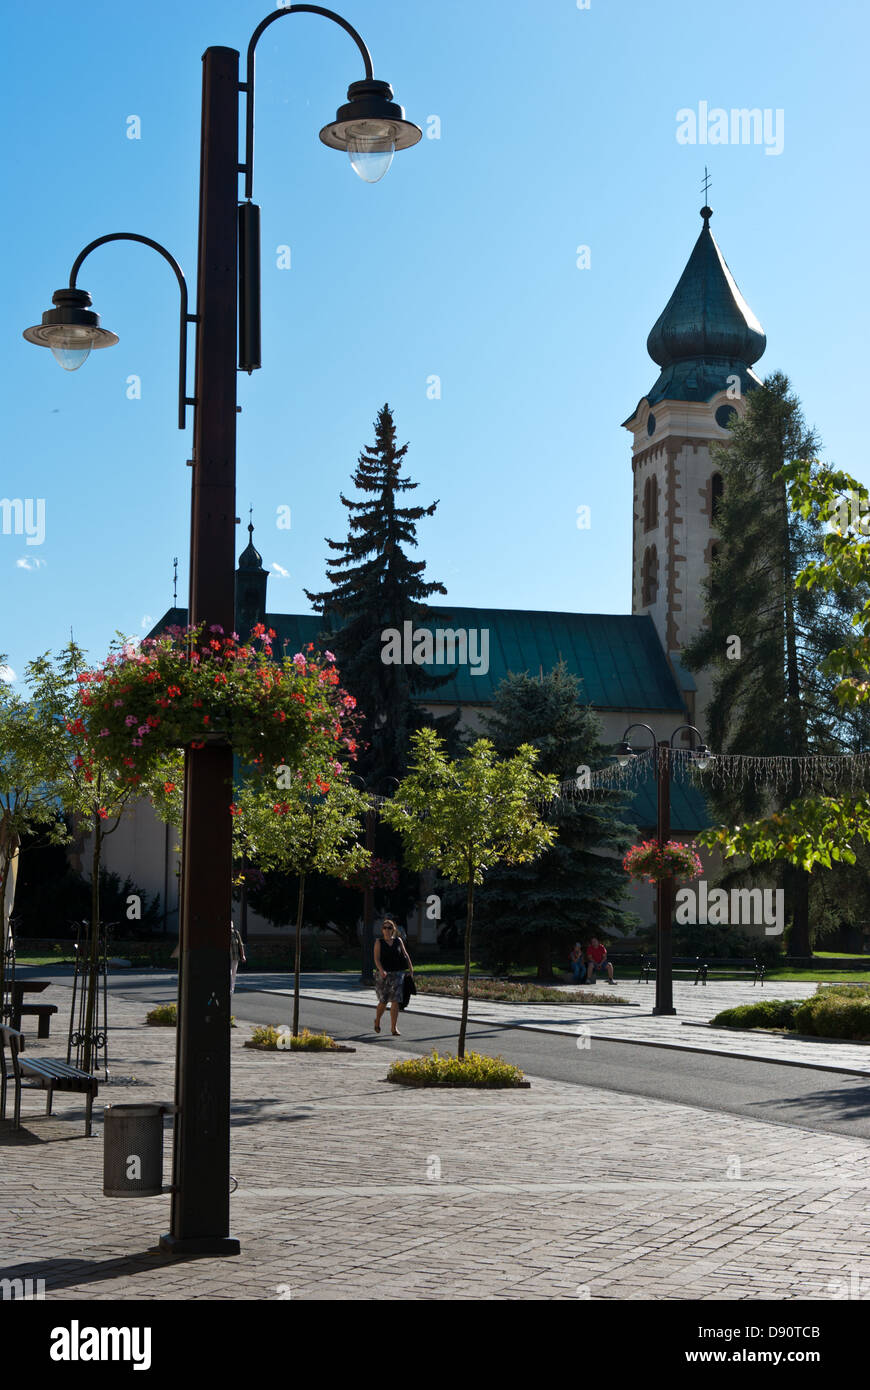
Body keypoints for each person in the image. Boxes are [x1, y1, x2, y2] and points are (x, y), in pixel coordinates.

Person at [373, 918, 413, 1036]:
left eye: (389, 928)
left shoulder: (398, 941)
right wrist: (381, 970)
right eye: (384, 928)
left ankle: (393, 1028)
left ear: (393, 930)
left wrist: (410, 968)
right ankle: (377, 1020)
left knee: (395, 1001)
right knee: (383, 1001)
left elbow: (405, 954)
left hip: (397, 974)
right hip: (383, 975)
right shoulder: (378, 942)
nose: (387, 930)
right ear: (382, 930)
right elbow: (376, 958)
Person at [230, 921, 246, 995]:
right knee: (229, 973)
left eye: (231, 927)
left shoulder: (236, 933)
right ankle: (229, 988)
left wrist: (243, 955)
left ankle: (232, 990)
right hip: (228, 957)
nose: (231, 928)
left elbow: (240, 944)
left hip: (235, 957)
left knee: (233, 974)